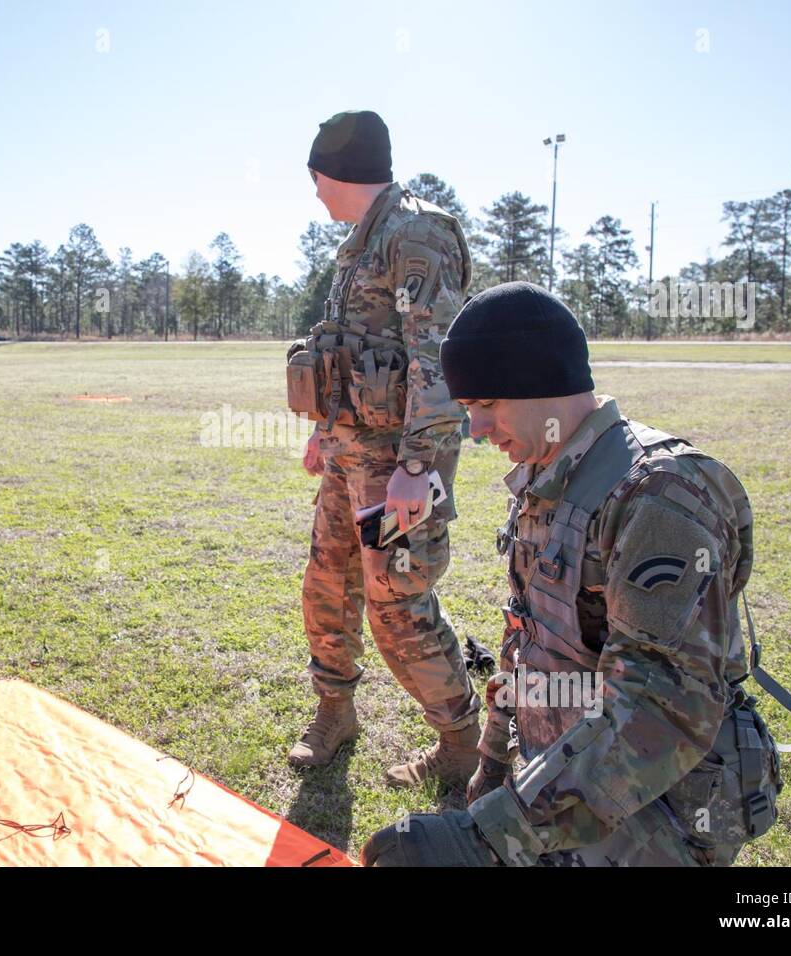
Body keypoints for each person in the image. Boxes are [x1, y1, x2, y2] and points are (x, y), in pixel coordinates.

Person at [361, 282, 791, 866]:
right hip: (574, 778)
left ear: (540, 383)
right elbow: (527, 641)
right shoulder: (549, 477)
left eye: (486, 406)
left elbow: (660, 708)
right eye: (469, 411)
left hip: (660, 802)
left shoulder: (660, 496)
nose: (477, 430)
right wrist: (493, 770)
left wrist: (492, 835)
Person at [284, 110, 481, 789]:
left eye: (314, 181)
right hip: (348, 458)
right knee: (326, 584)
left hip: (399, 470)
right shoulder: (359, 246)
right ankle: (334, 711)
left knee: (396, 600)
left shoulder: (415, 235)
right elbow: (347, 352)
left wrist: (417, 468)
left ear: (331, 174)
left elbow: (439, 359)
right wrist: (322, 430)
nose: (314, 195)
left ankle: (460, 740)